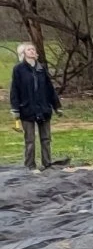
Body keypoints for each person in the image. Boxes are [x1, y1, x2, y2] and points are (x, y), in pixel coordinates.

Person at [10, 42, 60, 171]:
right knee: (30, 140)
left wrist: (56, 106)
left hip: (43, 109)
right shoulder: (19, 69)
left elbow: (50, 89)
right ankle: (30, 166)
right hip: (27, 109)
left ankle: (47, 164)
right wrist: (15, 108)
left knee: (46, 139)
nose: (32, 51)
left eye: (33, 49)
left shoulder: (41, 68)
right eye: (29, 50)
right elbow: (15, 90)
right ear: (23, 53)